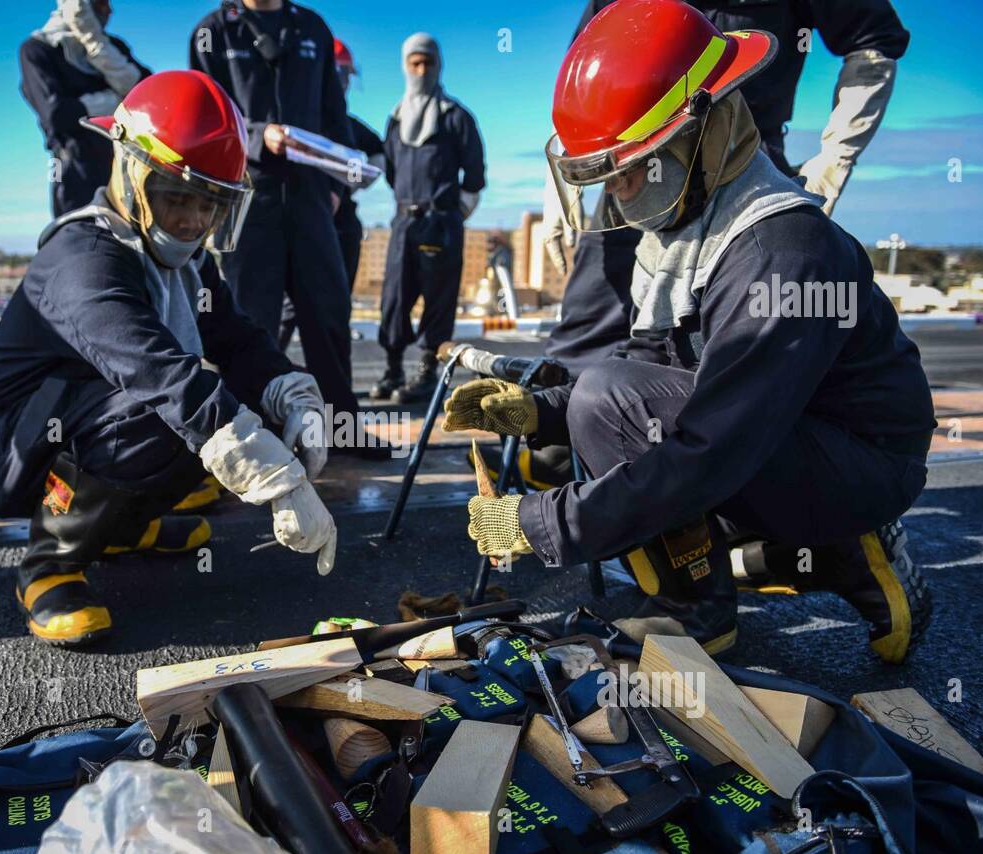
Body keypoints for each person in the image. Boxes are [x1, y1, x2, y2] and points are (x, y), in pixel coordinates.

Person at [447, 0, 934, 664]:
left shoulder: (779, 254)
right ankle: (700, 606)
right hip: (778, 432)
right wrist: (544, 412)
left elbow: (709, 449)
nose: (618, 194)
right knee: (600, 397)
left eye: (630, 168)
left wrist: (537, 523)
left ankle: (847, 542)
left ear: (701, 128)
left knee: (656, 440)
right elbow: (648, 366)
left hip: (858, 460)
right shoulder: (687, 218)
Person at [0, 71, 336, 648]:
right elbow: (156, 373)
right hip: (7, 445)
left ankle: (122, 527)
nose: (192, 220)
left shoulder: (181, 256)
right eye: (177, 197)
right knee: (177, 412)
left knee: (222, 408)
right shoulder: (83, 257)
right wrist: (274, 474)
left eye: (210, 203)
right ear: (132, 172)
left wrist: (290, 391)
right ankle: (49, 564)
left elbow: (235, 341)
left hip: (77, 421)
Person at [482, 0, 910, 492]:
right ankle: (562, 453)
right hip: (625, 156)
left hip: (726, 150)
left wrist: (836, 155)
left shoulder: (780, 246)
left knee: (722, 335)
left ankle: (767, 492)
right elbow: (590, 65)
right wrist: (565, 174)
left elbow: (872, 39)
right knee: (595, 317)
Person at [189, 1, 363, 435]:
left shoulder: (312, 27)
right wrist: (256, 134)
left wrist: (338, 185)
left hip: (311, 196)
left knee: (328, 313)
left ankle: (342, 427)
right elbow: (204, 114)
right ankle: (252, 430)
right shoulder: (212, 32)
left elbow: (334, 115)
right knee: (251, 316)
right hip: (248, 195)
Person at [371, 33, 486, 404]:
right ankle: (392, 368)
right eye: (414, 64)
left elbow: (475, 174)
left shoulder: (456, 117)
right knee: (394, 297)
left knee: (438, 298)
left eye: (428, 63)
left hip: (441, 224)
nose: (421, 70)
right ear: (406, 66)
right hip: (403, 222)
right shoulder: (394, 119)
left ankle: (427, 370)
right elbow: (389, 171)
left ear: (438, 66)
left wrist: (454, 213)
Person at [278, 37, 385, 352]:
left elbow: (377, 153)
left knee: (333, 308)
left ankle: (330, 391)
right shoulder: (298, 122)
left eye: (346, 76)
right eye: (340, 75)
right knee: (287, 309)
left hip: (339, 224)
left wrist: (349, 184)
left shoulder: (349, 126)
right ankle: (264, 377)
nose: (343, 84)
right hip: (298, 221)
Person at [21, 1, 152, 216]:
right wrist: (118, 100)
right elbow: (56, 114)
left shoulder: (114, 48)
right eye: (101, 2)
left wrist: (96, 45)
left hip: (127, 168)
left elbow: (148, 91)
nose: (110, 11)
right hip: (76, 174)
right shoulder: (37, 50)